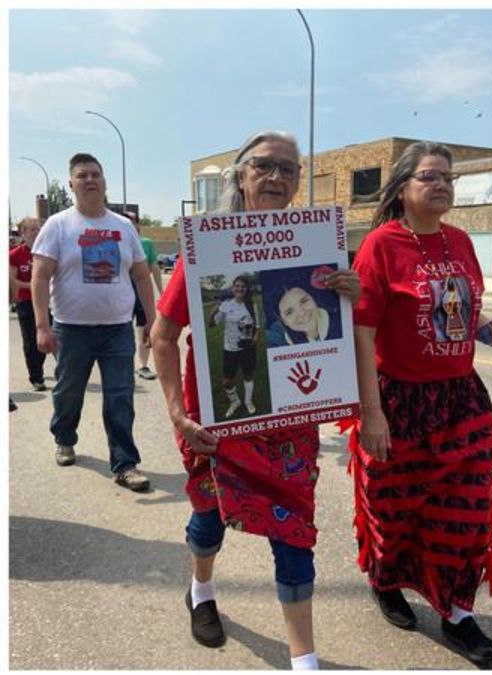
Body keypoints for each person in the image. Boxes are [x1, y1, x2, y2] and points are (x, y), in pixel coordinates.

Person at [151, 130, 360, 670]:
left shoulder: (316, 249)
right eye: (265, 166)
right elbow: (163, 336)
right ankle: (200, 591)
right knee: (208, 521)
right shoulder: (206, 252)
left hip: (287, 425)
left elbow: (337, 336)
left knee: (295, 534)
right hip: (214, 422)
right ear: (241, 176)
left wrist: (351, 296)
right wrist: (177, 412)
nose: (276, 177)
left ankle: (303, 657)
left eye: (288, 169)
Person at [350, 141, 492, 665]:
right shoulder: (381, 246)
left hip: (460, 399)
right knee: (394, 511)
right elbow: (361, 331)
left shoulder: (461, 241)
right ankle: (385, 582)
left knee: (466, 512)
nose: (442, 184)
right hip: (398, 400)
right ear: (403, 187)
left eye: (447, 176)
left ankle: (457, 614)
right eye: (429, 176)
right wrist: (371, 412)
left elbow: (463, 320)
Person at [31, 153, 156, 490]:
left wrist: (152, 321)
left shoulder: (123, 226)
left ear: (104, 182)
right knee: (68, 392)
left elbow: (142, 277)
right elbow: (40, 278)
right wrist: (42, 326)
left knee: (120, 396)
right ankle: (65, 436)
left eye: (95, 174)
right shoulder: (58, 225)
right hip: (71, 330)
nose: (89, 180)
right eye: (82, 175)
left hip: (117, 330)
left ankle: (125, 463)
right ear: (71, 184)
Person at [210, 275, 259, 418]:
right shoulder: (226, 305)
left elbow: (256, 325)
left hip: (247, 347)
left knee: (248, 375)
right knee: (227, 381)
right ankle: (235, 401)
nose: (240, 288)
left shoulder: (251, 305)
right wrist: (216, 308)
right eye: (237, 286)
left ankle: (248, 401)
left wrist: (256, 336)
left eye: (243, 286)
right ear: (233, 288)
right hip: (230, 349)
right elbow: (213, 324)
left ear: (246, 289)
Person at [10, 217, 48, 391]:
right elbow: (13, 281)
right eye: (31, 229)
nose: (35, 232)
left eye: (37, 229)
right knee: (30, 340)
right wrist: (34, 285)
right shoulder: (15, 255)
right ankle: (36, 377)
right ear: (23, 233)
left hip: (47, 301)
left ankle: (38, 366)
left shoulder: (46, 252)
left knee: (47, 336)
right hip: (26, 301)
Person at [262, 270, 344, 347]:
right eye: (289, 312)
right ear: (283, 321)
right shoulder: (279, 344)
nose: (302, 313)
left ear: (313, 299)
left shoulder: (343, 323)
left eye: (304, 301)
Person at [132, 215, 163, 380]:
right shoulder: (115, 241)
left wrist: (162, 292)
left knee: (144, 329)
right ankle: (122, 367)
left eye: (133, 221)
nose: (130, 224)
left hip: (142, 291)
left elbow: (154, 267)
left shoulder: (146, 243)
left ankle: (143, 366)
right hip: (122, 292)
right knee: (121, 331)